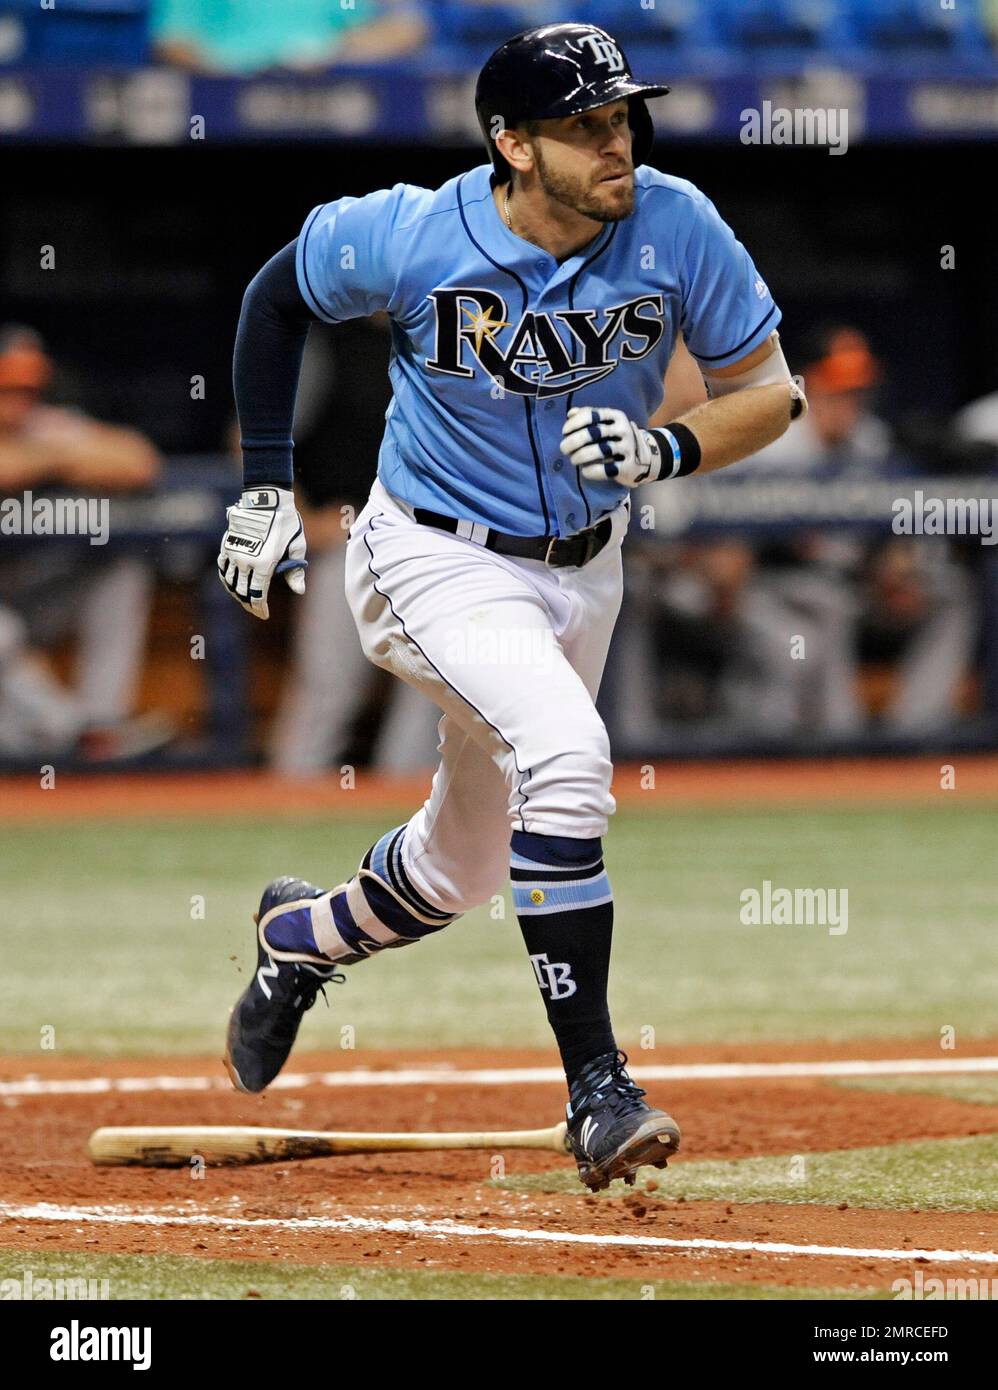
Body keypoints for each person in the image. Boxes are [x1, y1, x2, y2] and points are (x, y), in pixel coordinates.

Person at [216, 22, 806, 1191]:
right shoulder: (414, 229)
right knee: (569, 757)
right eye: (583, 125)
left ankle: (300, 937)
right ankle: (598, 1085)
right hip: (431, 551)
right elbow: (273, 295)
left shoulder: (675, 221)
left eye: (621, 117)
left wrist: (662, 446)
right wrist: (266, 484)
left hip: (584, 566)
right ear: (511, 144)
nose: (615, 143)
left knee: (467, 865)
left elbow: (770, 394)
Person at [0, 325, 170, 760]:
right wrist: (59, 458)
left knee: (121, 571)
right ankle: (79, 734)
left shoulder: (45, 426)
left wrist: (47, 454)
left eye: (27, 389)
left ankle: (102, 722)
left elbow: (139, 461)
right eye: (7, 388)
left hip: (32, 595)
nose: (19, 401)